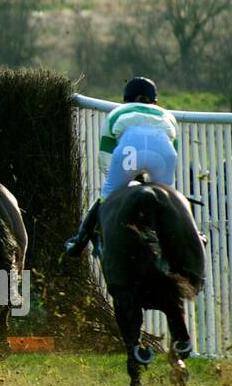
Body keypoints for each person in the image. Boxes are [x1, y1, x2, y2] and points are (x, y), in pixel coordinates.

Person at [65, 76, 178, 259]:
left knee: (107, 196)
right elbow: (173, 152)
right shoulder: (167, 116)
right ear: (155, 101)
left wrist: (125, 178)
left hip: (129, 151)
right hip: (163, 153)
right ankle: (193, 234)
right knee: (170, 199)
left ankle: (79, 240)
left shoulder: (118, 113)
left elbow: (105, 159)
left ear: (125, 99)